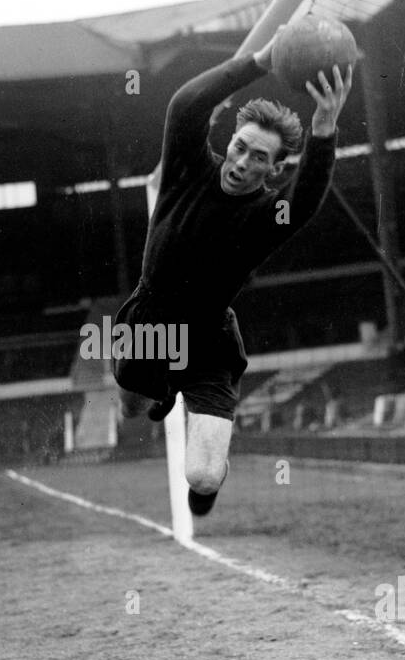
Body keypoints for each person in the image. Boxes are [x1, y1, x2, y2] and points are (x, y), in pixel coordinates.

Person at [112, 27, 353, 516]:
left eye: (258, 158)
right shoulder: (188, 166)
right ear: (231, 139)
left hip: (207, 344)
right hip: (147, 325)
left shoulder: (268, 216)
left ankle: (210, 476)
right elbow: (184, 105)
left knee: (198, 477)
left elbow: (305, 202)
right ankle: (156, 397)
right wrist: (258, 61)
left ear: (274, 170)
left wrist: (325, 128)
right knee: (132, 409)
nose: (242, 162)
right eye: (241, 146)